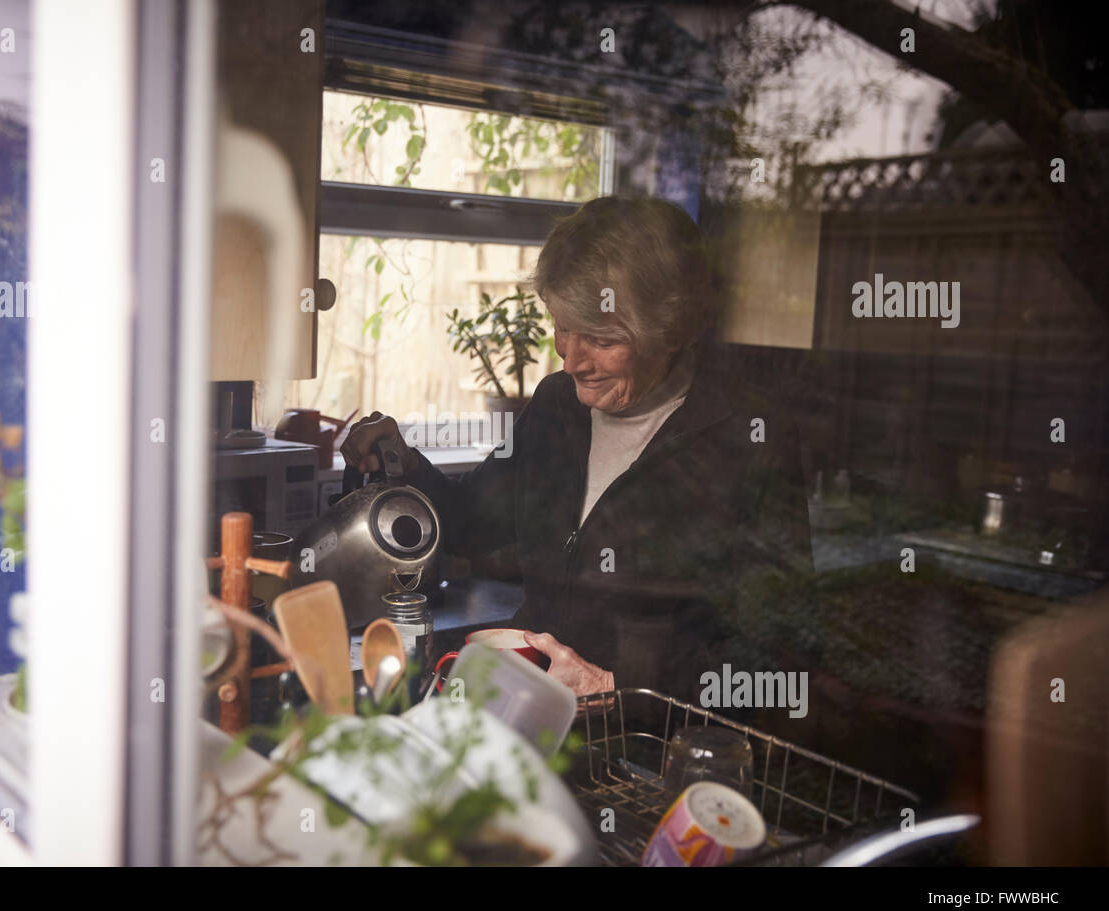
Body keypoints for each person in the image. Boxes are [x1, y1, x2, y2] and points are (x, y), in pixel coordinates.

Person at [343, 196, 813, 702]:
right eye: (563, 327)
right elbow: (476, 522)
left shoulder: (748, 436)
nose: (570, 360)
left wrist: (617, 688)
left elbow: (780, 658)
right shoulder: (556, 404)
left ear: (670, 328)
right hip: (534, 713)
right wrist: (407, 462)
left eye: (600, 338)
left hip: (648, 743)